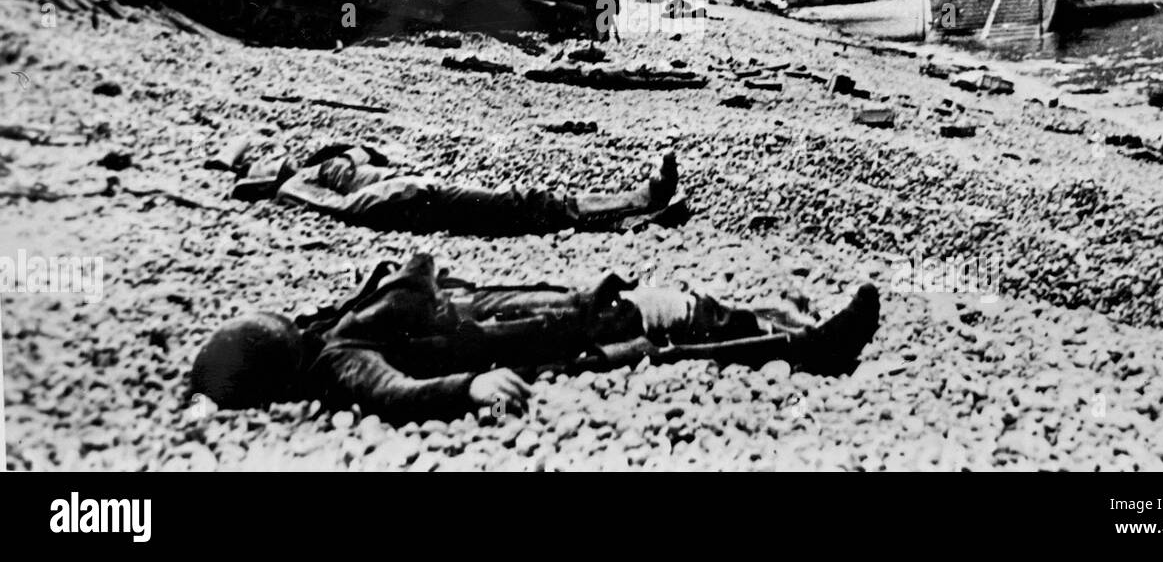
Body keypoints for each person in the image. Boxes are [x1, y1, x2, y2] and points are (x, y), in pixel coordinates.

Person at [191, 252, 881, 422]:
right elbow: (396, 393)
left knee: (656, 312)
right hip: (518, 343)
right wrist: (470, 387)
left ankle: (781, 327)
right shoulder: (341, 358)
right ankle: (808, 349)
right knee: (655, 332)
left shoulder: (330, 337)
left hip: (504, 317)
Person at [235, 143, 681, 236]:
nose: (280, 152)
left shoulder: (301, 185)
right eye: (268, 154)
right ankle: (638, 202)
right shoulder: (302, 180)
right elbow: (365, 154)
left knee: (513, 211)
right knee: (516, 205)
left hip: (408, 198)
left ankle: (627, 218)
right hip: (410, 199)